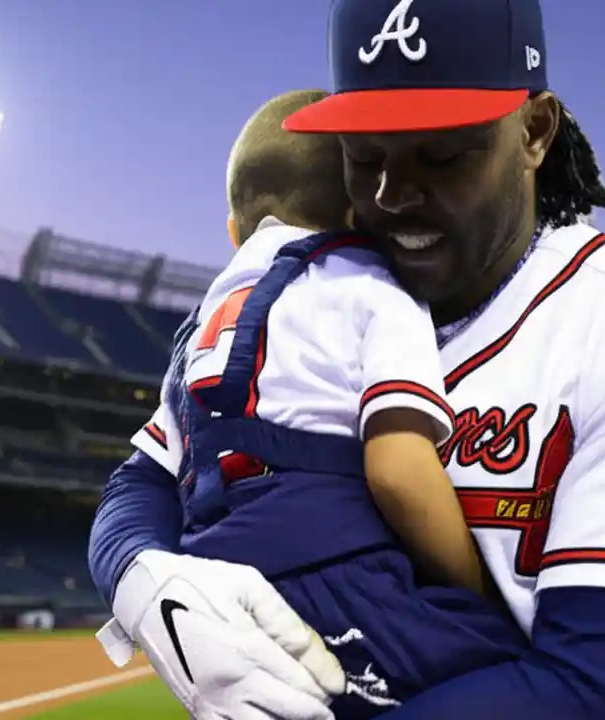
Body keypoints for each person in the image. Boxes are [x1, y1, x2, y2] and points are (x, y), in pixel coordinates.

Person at [88, 89, 529, 719]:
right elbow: (399, 471)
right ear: (358, 211)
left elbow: (149, 474)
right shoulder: (372, 283)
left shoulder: (199, 324)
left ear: (235, 230)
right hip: (340, 575)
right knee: (538, 676)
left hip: (221, 589)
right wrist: (478, 594)